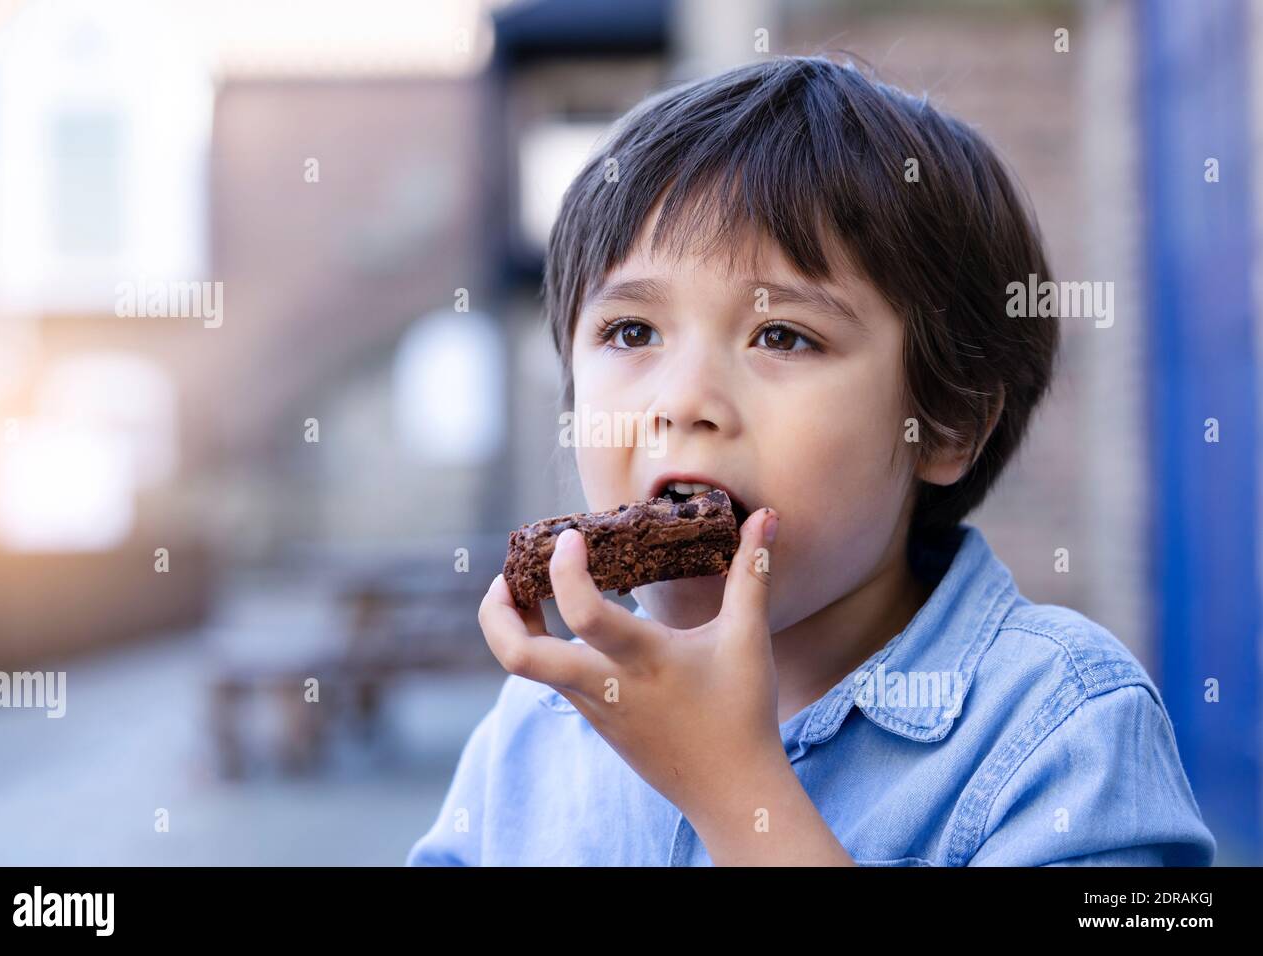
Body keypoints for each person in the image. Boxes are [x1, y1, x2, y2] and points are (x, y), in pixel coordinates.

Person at [406, 55, 1215, 866]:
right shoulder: (533, 731)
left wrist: (733, 788)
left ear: (945, 423)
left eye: (783, 336)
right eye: (631, 332)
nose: (683, 402)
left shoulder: (1065, 727)